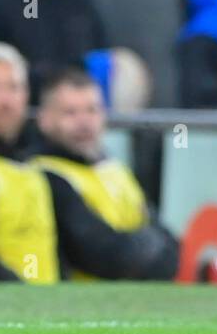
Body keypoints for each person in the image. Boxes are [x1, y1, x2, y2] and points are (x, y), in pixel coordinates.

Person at [0, 43, 177, 282]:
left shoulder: (25, 165)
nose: (5, 100)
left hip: (44, 313)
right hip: (4, 315)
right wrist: (24, 300)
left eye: (14, 87)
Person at [30, 67, 174, 274]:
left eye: (92, 110)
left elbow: (167, 239)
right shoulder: (44, 173)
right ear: (44, 120)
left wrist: (152, 251)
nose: (84, 122)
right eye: (70, 112)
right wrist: (150, 249)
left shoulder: (115, 169)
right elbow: (100, 251)